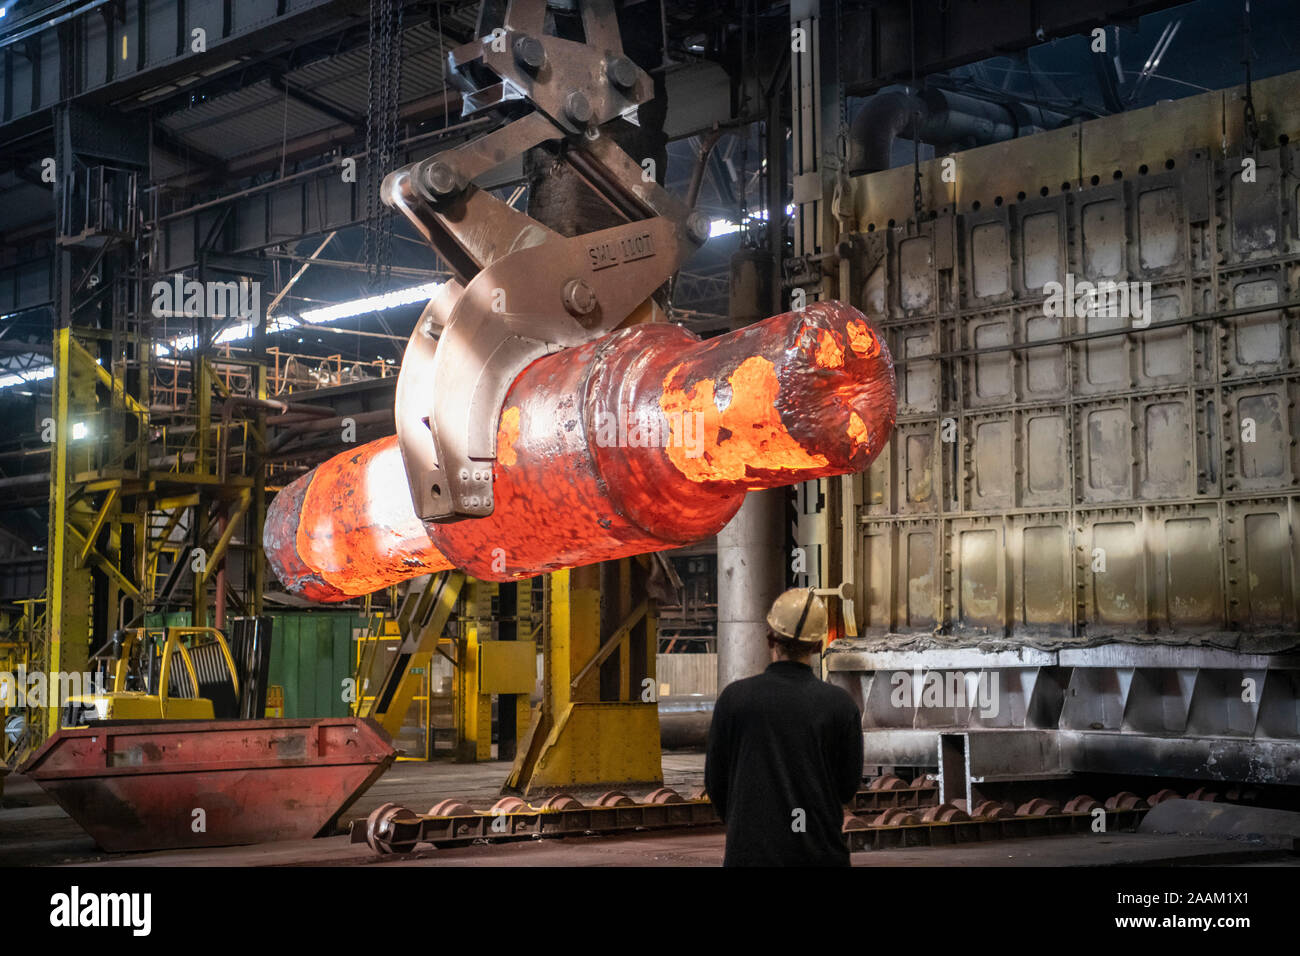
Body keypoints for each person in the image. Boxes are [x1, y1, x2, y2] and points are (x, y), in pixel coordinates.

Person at [704, 587, 864, 866]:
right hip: (820, 856)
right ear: (818, 646)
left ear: (770, 638)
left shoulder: (734, 699)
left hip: (750, 856)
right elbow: (847, 787)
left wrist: (747, 828)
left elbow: (716, 782)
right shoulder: (840, 705)